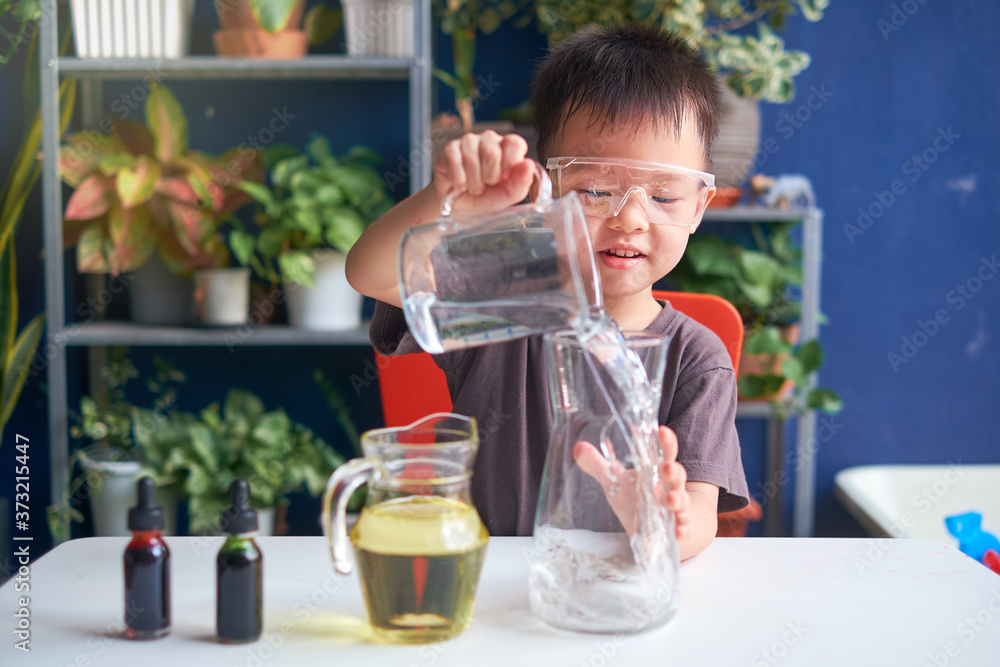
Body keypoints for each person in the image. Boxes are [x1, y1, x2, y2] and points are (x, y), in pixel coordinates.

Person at [346, 23, 750, 560]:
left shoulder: (698, 358)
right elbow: (369, 272)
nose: (629, 218)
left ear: (699, 207)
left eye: (663, 196)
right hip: (487, 585)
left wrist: (667, 520)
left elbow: (699, 511)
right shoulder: (506, 299)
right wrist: (446, 206)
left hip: (620, 587)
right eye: (596, 191)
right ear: (549, 189)